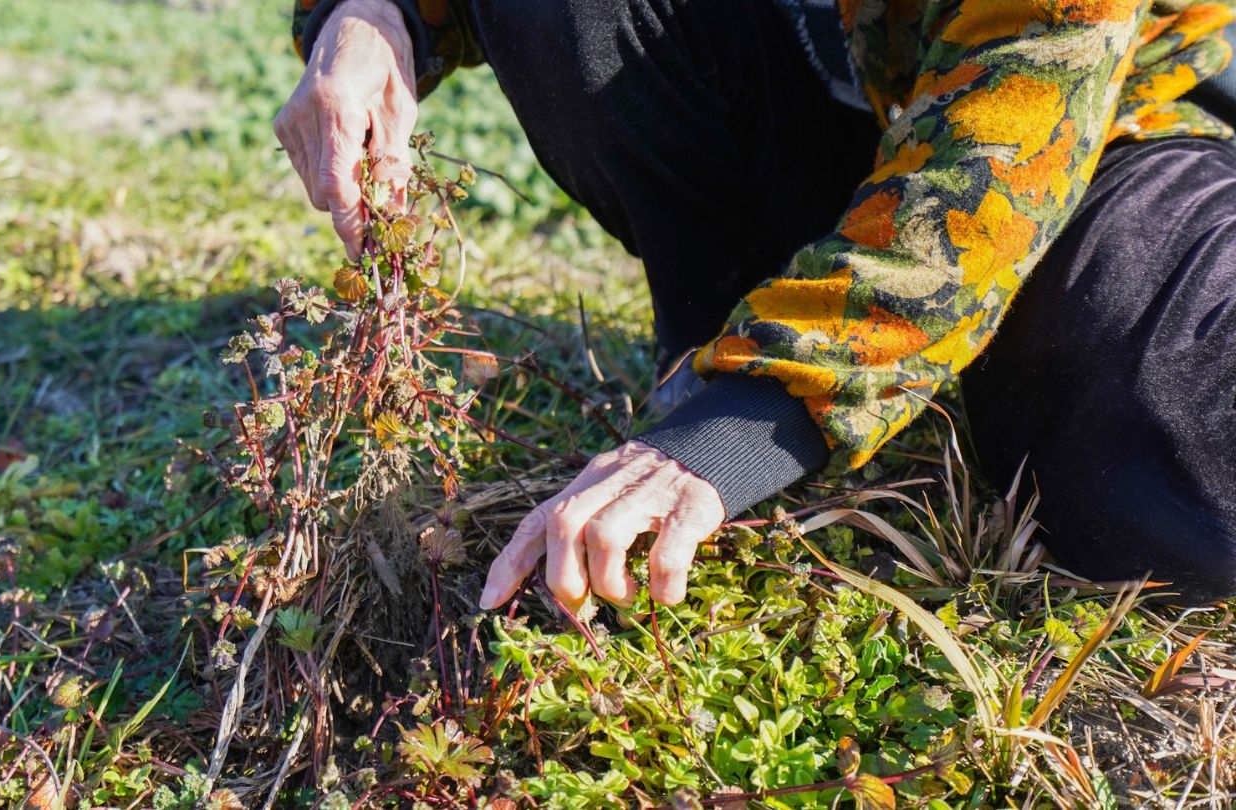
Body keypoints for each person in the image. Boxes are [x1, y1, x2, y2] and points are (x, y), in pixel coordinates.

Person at [275, 0, 1236, 608]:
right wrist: (379, 15)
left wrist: (735, 434)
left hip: (1094, 127)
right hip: (798, 104)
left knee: (1180, 448)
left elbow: (985, 165)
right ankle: (721, 327)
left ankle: (811, 377)